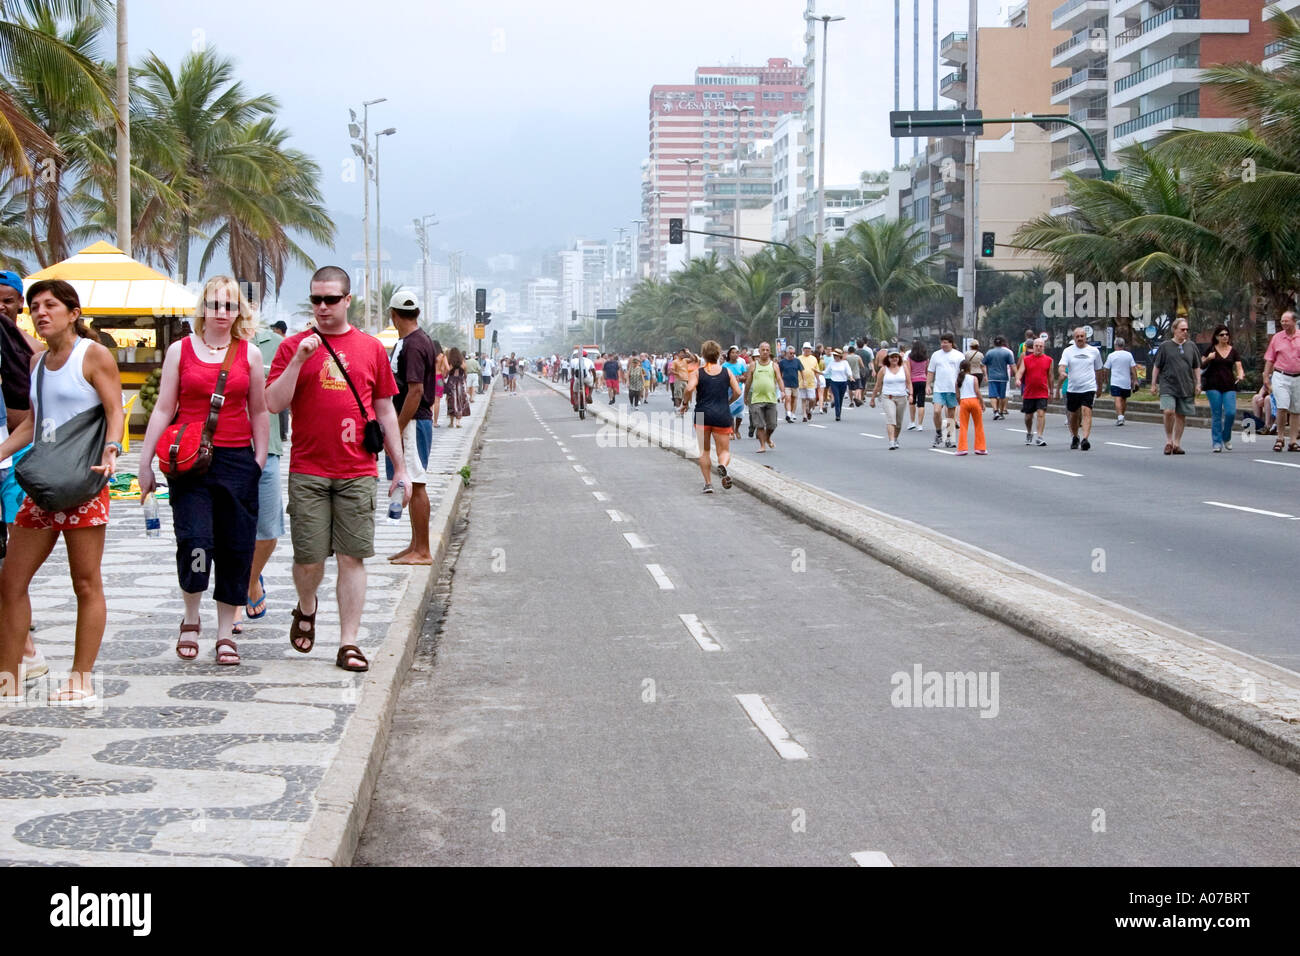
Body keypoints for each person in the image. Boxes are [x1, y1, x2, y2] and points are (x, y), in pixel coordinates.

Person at [265, 266, 408, 674]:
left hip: (358, 469)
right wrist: (298, 360)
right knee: (309, 559)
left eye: (331, 299)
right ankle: (306, 605)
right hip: (308, 469)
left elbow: (384, 409)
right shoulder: (293, 345)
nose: (323, 307)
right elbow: (272, 403)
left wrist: (400, 467)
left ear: (348, 301)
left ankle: (349, 641)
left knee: (352, 557)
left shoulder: (371, 349)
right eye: (316, 299)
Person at [0, 279, 123, 703]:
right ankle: (8, 676)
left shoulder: (94, 356)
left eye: (50, 305)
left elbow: (115, 410)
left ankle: (81, 678)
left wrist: (112, 450)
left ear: (73, 313)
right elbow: (34, 424)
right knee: (11, 582)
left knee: (85, 582)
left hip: (84, 482)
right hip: (43, 484)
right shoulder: (37, 364)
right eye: (34, 306)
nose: (40, 312)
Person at [137, 276, 267, 665]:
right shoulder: (181, 351)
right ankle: (191, 616)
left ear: (239, 311)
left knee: (235, 547)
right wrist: (144, 464)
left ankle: (225, 632)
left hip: (237, 462)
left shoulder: (250, 355)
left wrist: (258, 460)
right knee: (195, 541)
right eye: (214, 305)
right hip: (190, 462)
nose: (221, 314)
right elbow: (163, 408)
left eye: (229, 306)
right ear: (202, 309)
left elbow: (259, 411)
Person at [236, 308, 284, 630]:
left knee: (268, 530)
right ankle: (238, 597)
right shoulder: (214, 347)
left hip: (270, 450)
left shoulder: (276, 345)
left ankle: (250, 579)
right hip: (228, 450)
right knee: (231, 530)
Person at [384, 291, 437, 565]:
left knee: (416, 484)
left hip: (413, 422)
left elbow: (415, 391)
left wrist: (397, 427)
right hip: (413, 421)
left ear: (393, 315)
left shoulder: (413, 345)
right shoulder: (413, 341)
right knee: (410, 482)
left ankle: (423, 550)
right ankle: (415, 545)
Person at [679, 340, 740, 494]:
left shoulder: (697, 372)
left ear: (703, 356)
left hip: (701, 414)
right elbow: (738, 392)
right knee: (724, 451)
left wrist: (685, 403)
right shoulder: (727, 372)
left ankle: (708, 484)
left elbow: (689, 388)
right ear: (718, 354)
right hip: (722, 414)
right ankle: (723, 466)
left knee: (704, 451)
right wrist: (728, 402)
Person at [1151, 317, 1201, 455]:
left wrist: (1198, 383)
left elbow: (1196, 366)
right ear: (1174, 330)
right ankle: (1168, 441)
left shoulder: (1191, 346)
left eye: (1186, 330)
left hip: (1186, 385)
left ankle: (1177, 443)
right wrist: (1153, 384)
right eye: (1182, 329)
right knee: (1168, 411)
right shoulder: (1165, 346)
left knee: (1181, 415)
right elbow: (1156, 366)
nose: (1185, 332)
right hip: (1168, 385)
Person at [1058, 326, 1103, 451]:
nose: (1079, 338)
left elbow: (1099, 370)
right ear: (1074, 338)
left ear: (1085, 337)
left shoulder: (1094, 351)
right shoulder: (1068, 351)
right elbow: (1062, 366)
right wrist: (1062, 372)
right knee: (1073, 415)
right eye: (1077, 336)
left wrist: (1099, 387)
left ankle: (1085, 439)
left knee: (1086, 411)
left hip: (1088, 387)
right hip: (1073, 388)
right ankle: (1075, 436)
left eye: (1082, 336)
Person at [1202, 324, 1244, 453]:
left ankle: (1226, 437)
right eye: (1222, 335)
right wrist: (1209, 358)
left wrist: (1241, 374)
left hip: (1229, 385)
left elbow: (1239, 366)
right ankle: (1217, 442)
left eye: (1226, 334)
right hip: (1212, 385)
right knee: (1217, 414)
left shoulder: (1233, 351)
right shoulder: (1211, 349)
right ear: (1216, 337)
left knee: (1230, 413)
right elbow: (1201, 364)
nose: (1225, 336)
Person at [1262, 309, 1300, 453]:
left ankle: (1293, 441)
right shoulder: (1277, 338)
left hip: (1297, 377)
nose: (1284, 323)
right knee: (1282, 406)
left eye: (1286, 321)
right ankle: (1280, 437)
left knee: (1296, 409)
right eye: (1282, 321)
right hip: (1281, 376)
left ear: (1294, 321)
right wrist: (1266, 376)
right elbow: (1270, 358)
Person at [1015, 337, 1056, 446]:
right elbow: (1020, 372)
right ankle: (1029, 433)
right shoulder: (1026, 359)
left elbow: (1051, 377)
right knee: (1028, 416)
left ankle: (1040, 436)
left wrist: (1051, 392)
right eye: (1036, 346)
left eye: (1040, 346)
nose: (1038, 348)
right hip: (1029, 392)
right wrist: (1018, 379)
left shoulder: (1049, 360)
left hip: (1042, 392)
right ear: (1033, 347)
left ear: (1043, 347)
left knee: (1041, 414)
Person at [926, 333, 963, 448]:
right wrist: (928, 385)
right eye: (942, 342)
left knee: (951, 415)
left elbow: (963, 373)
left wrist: (962, 387)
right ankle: (938, 433)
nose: (943, 344)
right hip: (939, 388)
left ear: (951, 343)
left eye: (946, 342)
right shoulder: (936, 355)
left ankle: (949, 438)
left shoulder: (959, 355)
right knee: (937, 411)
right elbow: (931, 371)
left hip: (952, 388)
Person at [743, 341, 780, 452]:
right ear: (759, 352)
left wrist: (782, 392)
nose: (765, 352)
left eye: (767, 350)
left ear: (770, 352)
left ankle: (767, 438)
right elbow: (748, 381)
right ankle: (762, 445)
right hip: (756, 398)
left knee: (772, 424)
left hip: (771, 398)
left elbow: (779, 379)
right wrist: (745, 395)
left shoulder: (774, 365)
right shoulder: (753, 365)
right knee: (759, 425)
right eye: (762, 350)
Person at [870, 349, 909, 450]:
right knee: (891, 419)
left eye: (896, 357)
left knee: (898, 422)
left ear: (899, 358)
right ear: (888, 358)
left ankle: (895, 438)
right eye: (892, 357)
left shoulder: (904, 368)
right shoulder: (884, 369)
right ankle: (891, 441)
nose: (894, 359)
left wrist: (912, 394)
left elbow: (909, 383)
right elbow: (878, 385)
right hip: (888, 397)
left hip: (901, 397)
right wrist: (872, 398)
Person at [955, 359, 988, 456]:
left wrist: (960, 403)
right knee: (978, 425)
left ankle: (962, 449)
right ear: (969, 368)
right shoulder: (974, 378)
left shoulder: (958, 379)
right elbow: (977, 391)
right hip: (974, 401)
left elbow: (957, 394)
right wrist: (982, 403)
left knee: (963, 426)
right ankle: (980, 448)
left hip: (964, 401)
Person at [1104, 337, 1138, 425]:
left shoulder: (1111, 355)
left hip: (1115, 381)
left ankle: (1120, 417)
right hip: (1126, 382)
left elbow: (1106, 369)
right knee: (1124, 399)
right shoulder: (1129, 355)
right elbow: (1133, 368)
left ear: (1115, 345)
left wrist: (1106, 378)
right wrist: (1135, 380)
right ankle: (1122, 416)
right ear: (1123, 345)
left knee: (1117, 399)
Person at [983, 336, 1015, 420]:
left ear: (994, 343)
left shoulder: (989, 353)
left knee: (993, 395)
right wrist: (1017, 374)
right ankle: (1001, 412)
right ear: (1003, 343)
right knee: (1002, 396)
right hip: (1003, 377)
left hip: (992, 377)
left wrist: (986, 374)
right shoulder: (1007, 353)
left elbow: (983, 363)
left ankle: (995, 411)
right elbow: (1012, 364)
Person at [721, 347, 746, 438]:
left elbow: (745, 377)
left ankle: (737, 430)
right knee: (730, 410)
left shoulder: (741, 365)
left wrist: (740, 378)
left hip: (739, 390)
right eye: (733, 352)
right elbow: (721, 378)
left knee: (740, 412)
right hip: (728, 390)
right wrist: (730, 380)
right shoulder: (724, 366)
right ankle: (731, 431)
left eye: (736, 353)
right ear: (729, 354)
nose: (735, 354)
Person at [445, 347, 470, 428]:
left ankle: (451, 422)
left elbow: (446, 374)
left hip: (451, 382)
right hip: (460, 382)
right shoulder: (462, 361)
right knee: (460, 400)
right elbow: (465, 371)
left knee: (451, 400)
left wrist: (450, 369)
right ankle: (458, 422)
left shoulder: (449, 362)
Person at [825, 347, 852, 421]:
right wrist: (818, 372)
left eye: (836, 356)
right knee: (836, 398)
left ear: (840, 356)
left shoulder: (844, 363)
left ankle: (839, 413)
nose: (835, 357)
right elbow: (826, 371)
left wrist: (850, 376)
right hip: (834, 382)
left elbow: (849, 371)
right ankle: (837, 415)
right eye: (834, 356)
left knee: (840, 399)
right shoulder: (832, 363)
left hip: (843, 382)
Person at [907, 340, 928, 431]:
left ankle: (912, 422)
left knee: (912, 402)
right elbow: (927, 371)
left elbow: (908, 370)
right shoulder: (926, 358)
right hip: (923, 380)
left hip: (912, 381)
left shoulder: (909, 358)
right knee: (921, 403)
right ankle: (920, 424)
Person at [777, 345, 802, 424]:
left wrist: (804, 380)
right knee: (788, 398)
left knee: (794, 399)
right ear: (787, 353)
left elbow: (802, 370)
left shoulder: (797, 361)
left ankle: (792, 413)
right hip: (786, 384)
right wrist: (779, 383)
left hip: (795, 383)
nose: (792, 355)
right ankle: (788, 413)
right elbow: (779, 373)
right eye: (790, 353)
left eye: (793, 353)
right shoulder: (782, 362)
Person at [797, 343, 819, 422]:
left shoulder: (813, 359)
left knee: (812, 399)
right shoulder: (799, 358)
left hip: (811, 382)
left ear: (810, 350)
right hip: (802, 381)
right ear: (803, 349)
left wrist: (818, 380)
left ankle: (809, 410)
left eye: (808, 349)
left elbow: (816, 370)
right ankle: (804, 416)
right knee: (803, 399)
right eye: (805, 348)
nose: (807, 350)